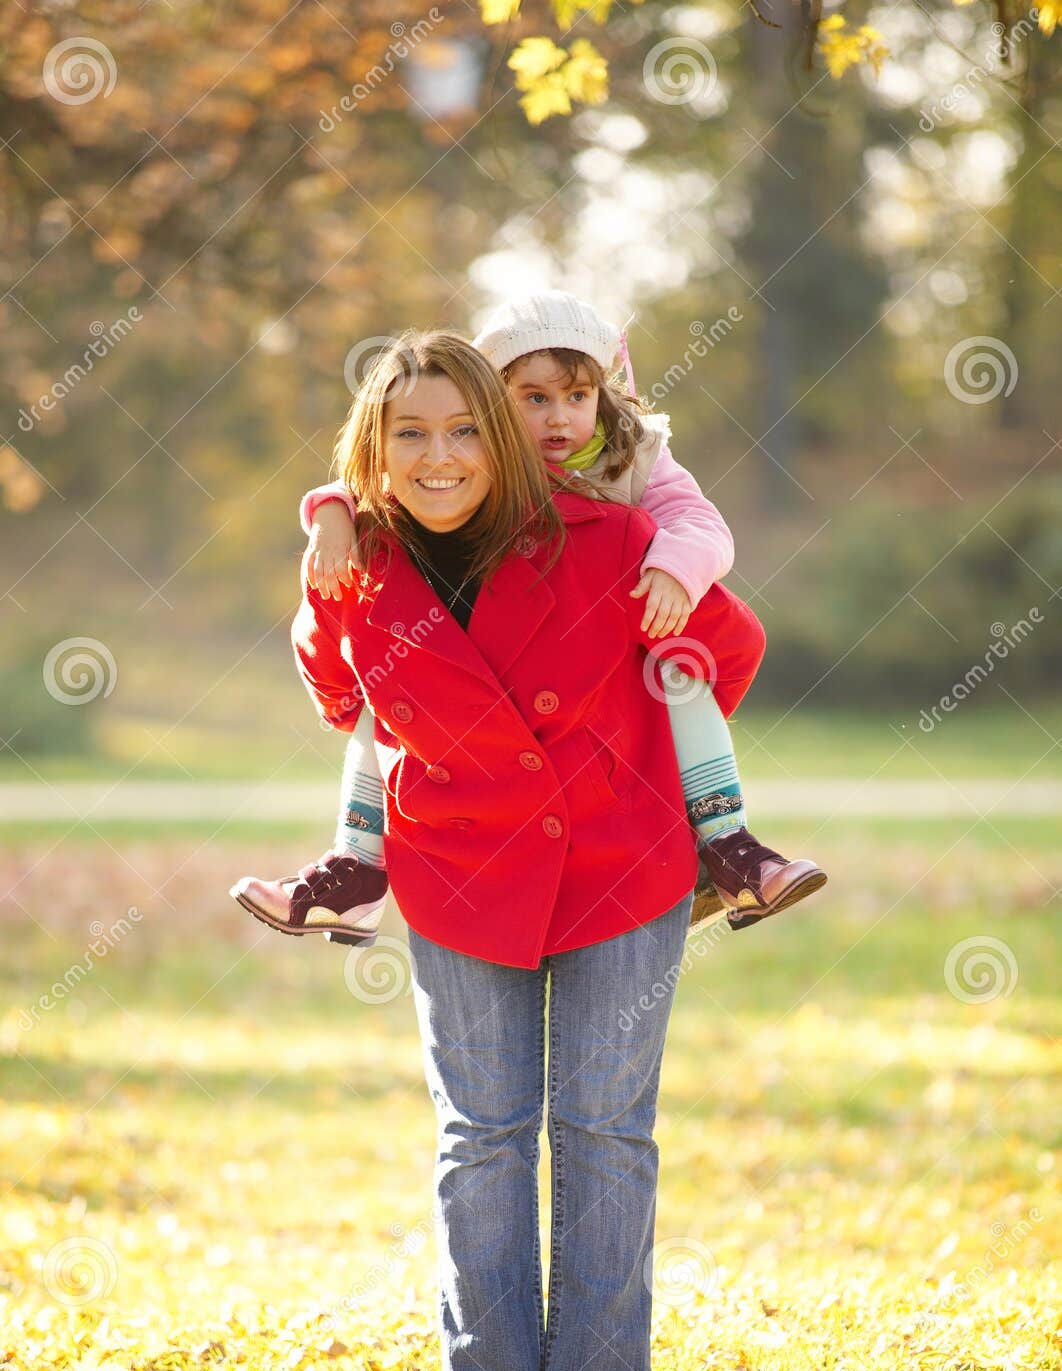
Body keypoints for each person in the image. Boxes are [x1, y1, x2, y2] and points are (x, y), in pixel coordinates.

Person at [267, 329, 766, 1371]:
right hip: (457, 873)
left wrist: (631, 720)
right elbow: (340, 693)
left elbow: (722, 652)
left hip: (615, 868)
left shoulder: (613, 535)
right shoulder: (364, 560)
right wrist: (323, 551)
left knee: (603, 1133)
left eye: (460, 431)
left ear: (498, 437)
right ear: (376, 453)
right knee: (480, 1141)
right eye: (409, 435)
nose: (439, 457)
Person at [231, 291, 824, 948]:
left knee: (677, 673)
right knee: (387, 691)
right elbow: (380, 471)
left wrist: (673, 565)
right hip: (463, 808)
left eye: (576, 397)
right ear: (494, 405)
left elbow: (703, 534)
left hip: (635, 645)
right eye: (533, 399)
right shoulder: (463, 470)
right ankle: (356, 863)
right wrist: (332, 514)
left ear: (604, 395)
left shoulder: (633, 459)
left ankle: (724, 837)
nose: (558, 419)